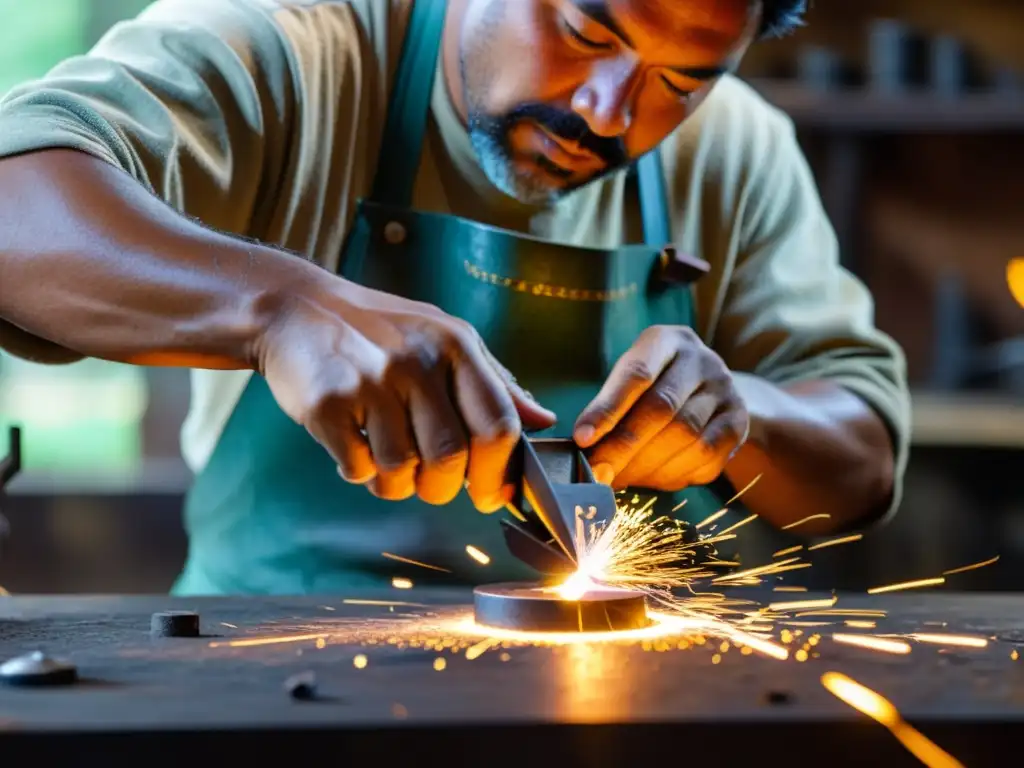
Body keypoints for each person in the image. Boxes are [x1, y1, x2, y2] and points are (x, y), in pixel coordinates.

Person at [0, 0, 909, 595]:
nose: (606, 110)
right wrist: (278, 308)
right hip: (270, 672)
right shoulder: (294, 45)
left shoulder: (739, 150)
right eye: (590, 32)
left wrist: (736, 416)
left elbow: (864, 458)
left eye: (679, 82)